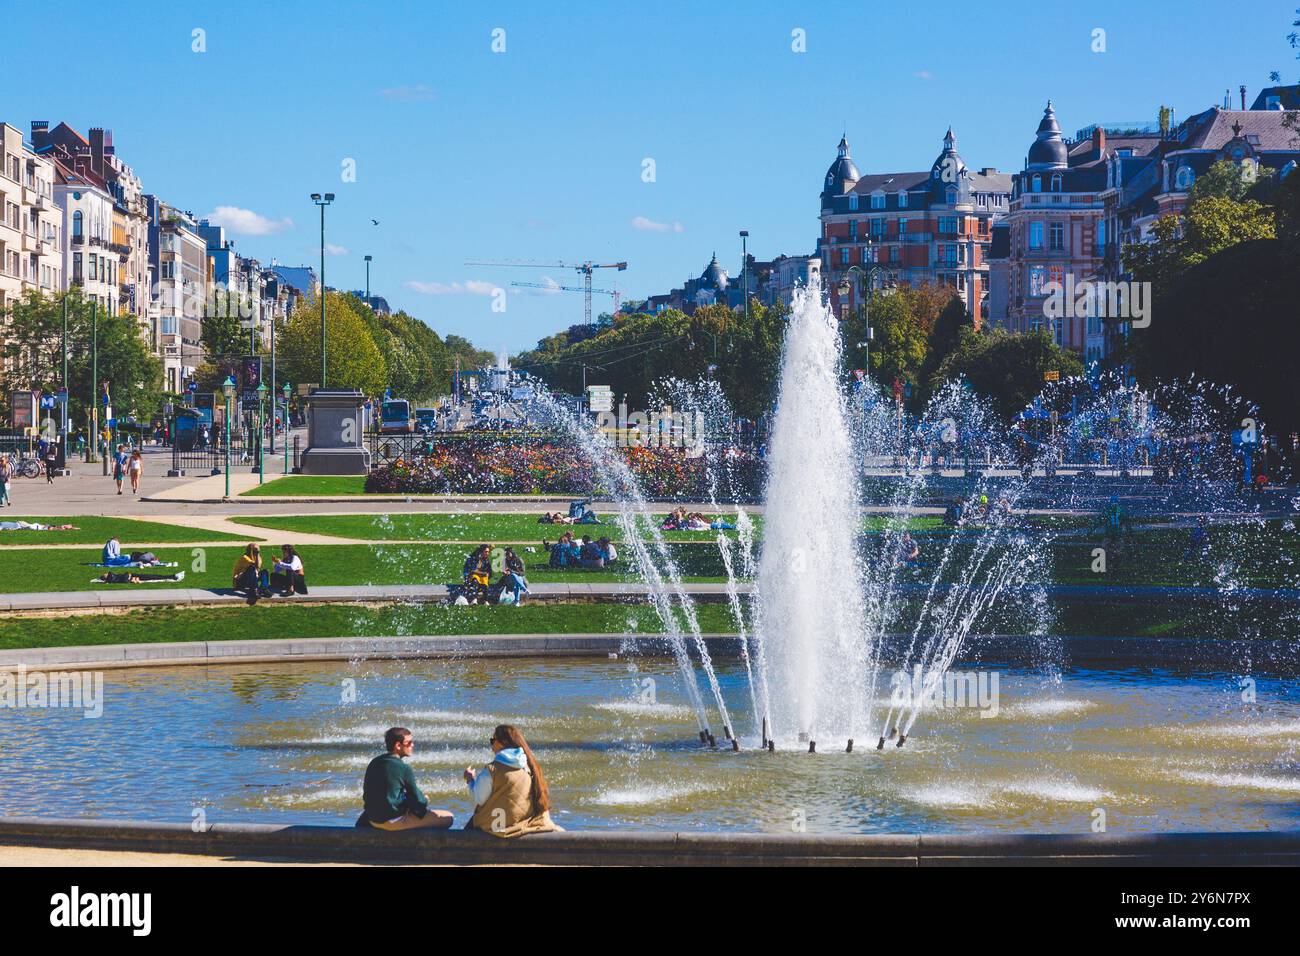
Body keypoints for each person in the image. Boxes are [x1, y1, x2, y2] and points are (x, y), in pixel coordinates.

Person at [463, 724, 559, 838]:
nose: (491, 745)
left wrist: (470, 780)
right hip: (519, 823)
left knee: (472, 823)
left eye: (492, 740)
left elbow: (479, 799)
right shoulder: (529, 767)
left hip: (495, 826)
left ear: (502, 743)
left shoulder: (492, 769)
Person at [358, 727, 454, 831]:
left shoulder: (375, 762)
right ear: (398, 745)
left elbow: (370, 795)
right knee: (448, 817)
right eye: (409, 743)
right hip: (392, 822)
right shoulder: (404, 768)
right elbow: (418, 803)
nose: (412, 745)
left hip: (373, 820)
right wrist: (425, 800)